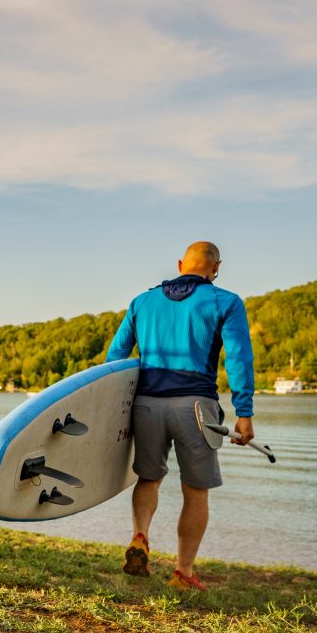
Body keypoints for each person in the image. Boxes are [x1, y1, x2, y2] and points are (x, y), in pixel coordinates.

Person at [105, 241, 255, 590]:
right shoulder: (225, 301)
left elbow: (116, 358)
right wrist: (244, 412)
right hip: (196, 407)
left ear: (179, 264)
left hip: (146, 405)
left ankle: (140, 535)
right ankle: (183, 573)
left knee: (148, 477)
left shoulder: (142, 302)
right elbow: (238, 360)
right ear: (216, 268)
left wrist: (112, 411)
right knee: (196, 490)